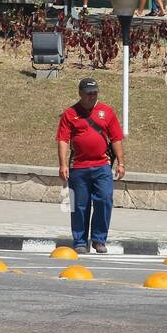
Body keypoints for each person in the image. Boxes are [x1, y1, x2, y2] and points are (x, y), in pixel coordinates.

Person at [56, 77, 125, 253]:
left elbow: (116, 138)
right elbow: (63, 140)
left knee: (104, 200)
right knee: (79, 205)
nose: (91, 97)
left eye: (94, 93)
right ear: (80, 93)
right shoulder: (70, 114)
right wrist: (63, 164)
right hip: (79, 166)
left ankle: (99, 240)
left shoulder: (106, 112)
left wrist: (121, 163)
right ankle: (79, 241)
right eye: (88, 93)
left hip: (102, 165)